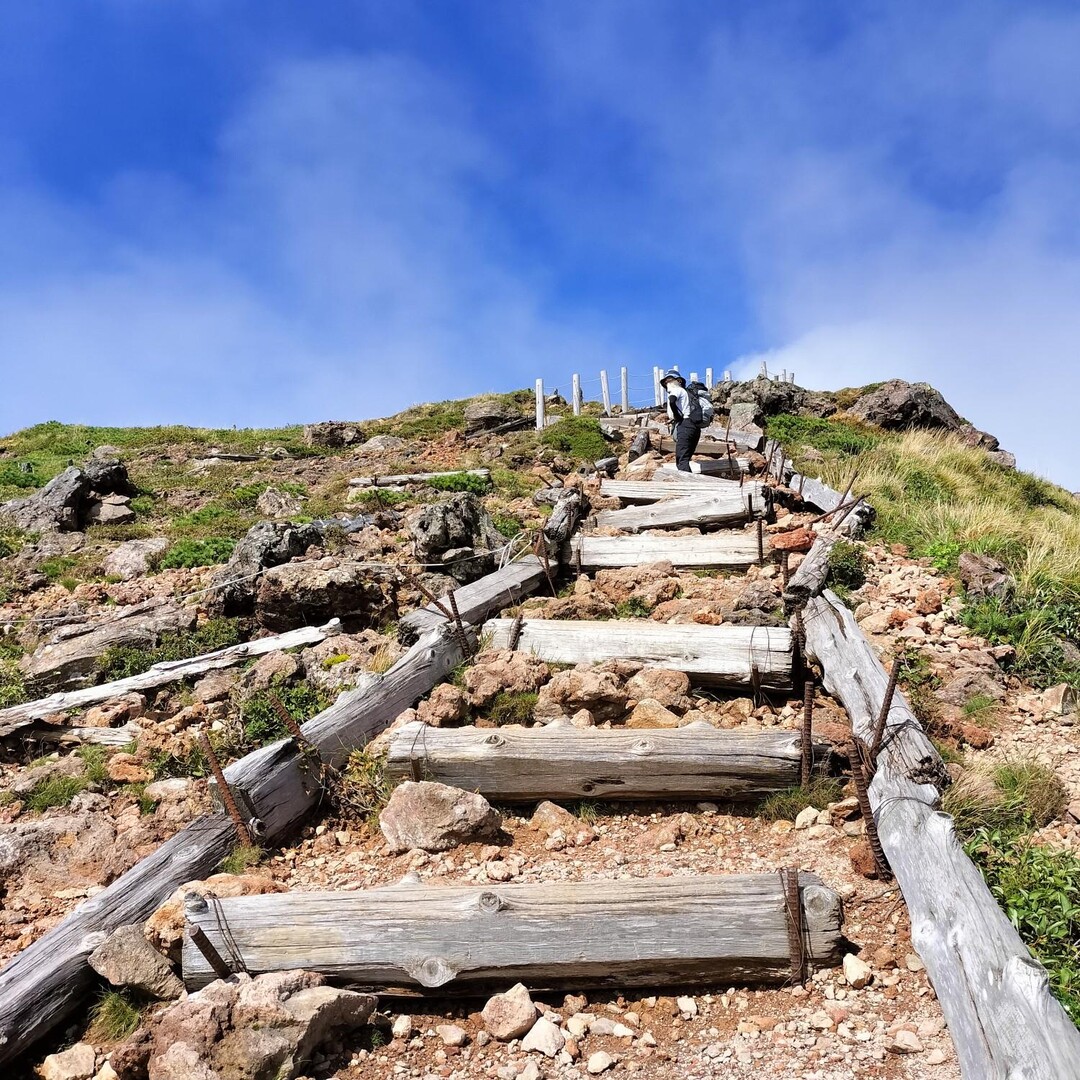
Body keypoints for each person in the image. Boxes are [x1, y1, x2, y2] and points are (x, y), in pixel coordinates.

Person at [661, 369, 701, 471]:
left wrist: (677, 416)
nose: (667, 382)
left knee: (681, 460)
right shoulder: (686, 393)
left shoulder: (677, 389)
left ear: (678, 380)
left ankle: (687, 485)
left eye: (669, 379)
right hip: (695, 428)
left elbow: (672, 401)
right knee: (685, 458)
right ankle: (690, 482)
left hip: (685, 425)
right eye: (666, 381)